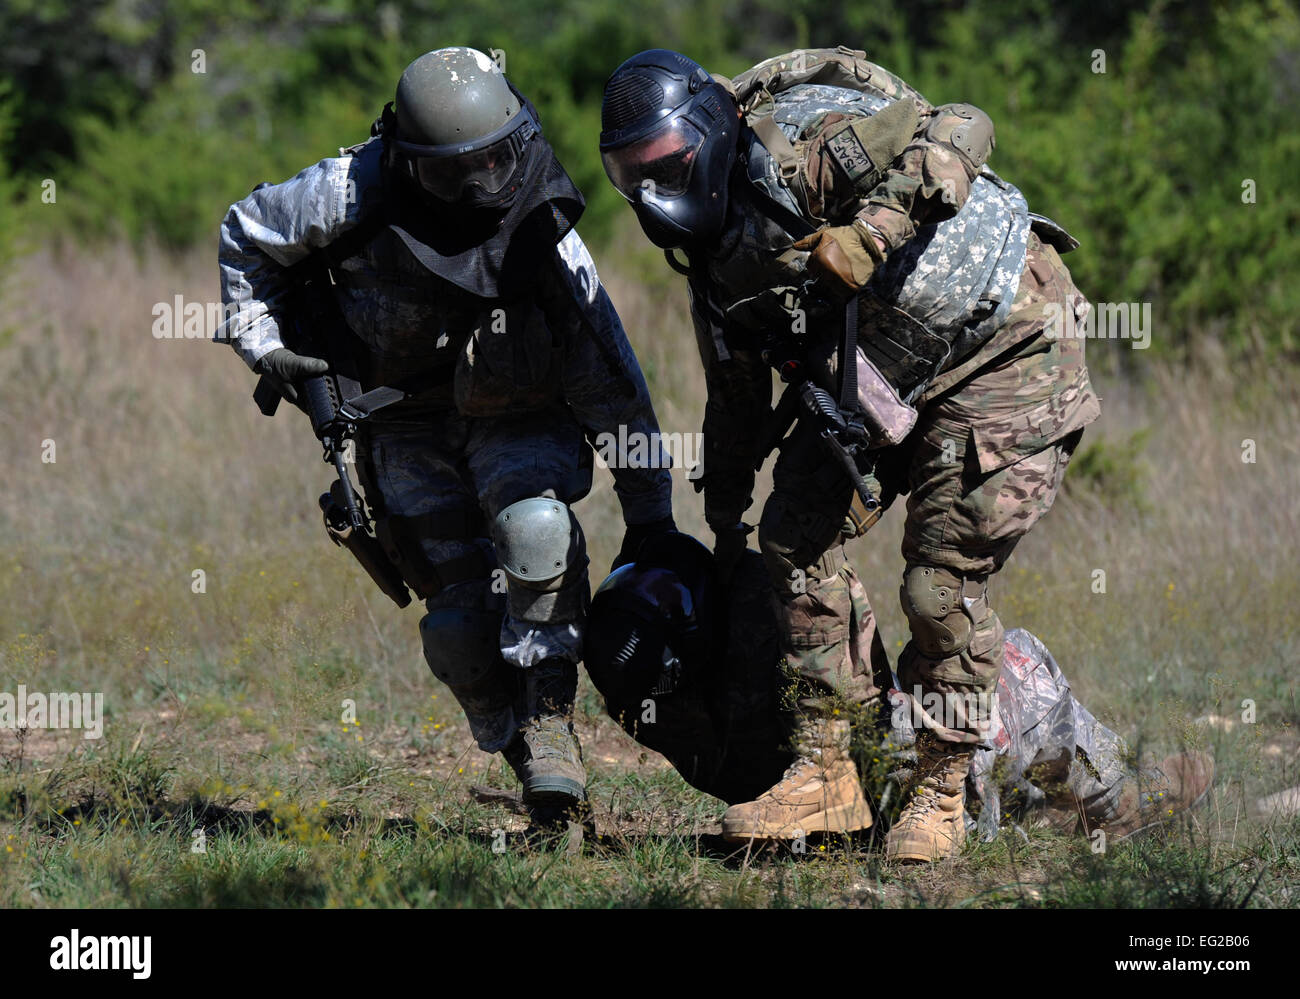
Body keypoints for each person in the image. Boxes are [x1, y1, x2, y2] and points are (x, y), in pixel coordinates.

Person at [598, 46, 1101, 860]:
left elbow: (963, 127)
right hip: (883, 369)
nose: (652, 194)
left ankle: (941, 789)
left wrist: (871, 232)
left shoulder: (807, 152)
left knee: (940, 585)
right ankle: (829, 768)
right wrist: (724, 522)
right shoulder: (713, 258)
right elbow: (733, 396)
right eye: (630, 177)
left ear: (706, 136)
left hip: (1008, 341)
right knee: (792, 537)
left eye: (663, 166)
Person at [218, 47, 675, 825]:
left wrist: (652, 513)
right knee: (459, 630)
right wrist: (270, 349)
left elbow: (609, 373)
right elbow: (246, 238)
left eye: (496, 160)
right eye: (452, 170)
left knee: (534, 533)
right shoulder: (344, 192)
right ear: (406, 159)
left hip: (519, 409)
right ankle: (523, 756)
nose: (479, 185)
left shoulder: (540, 226)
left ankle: (550, 721)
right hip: (401, 419)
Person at [585, 533, 1214, 845]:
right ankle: (1113, 797)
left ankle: (1044, 813)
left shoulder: (647, 704)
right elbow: (863, 654)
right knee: (1014, 660)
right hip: (902, 782)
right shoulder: (755, 608)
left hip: (850, 804)